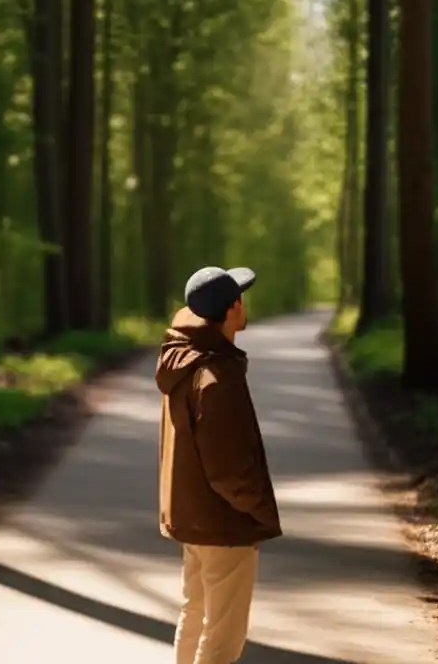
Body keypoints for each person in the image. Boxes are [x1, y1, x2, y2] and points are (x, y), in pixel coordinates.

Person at [155, 265, 282, 664]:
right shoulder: (214, 376)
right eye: (240, 299)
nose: (244, 306)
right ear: (232, 309)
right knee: (223, 638)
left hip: (193, 516)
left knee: (194, 614)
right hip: (224, 523)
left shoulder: (184, 359)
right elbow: (228, 469)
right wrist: (258, 510)